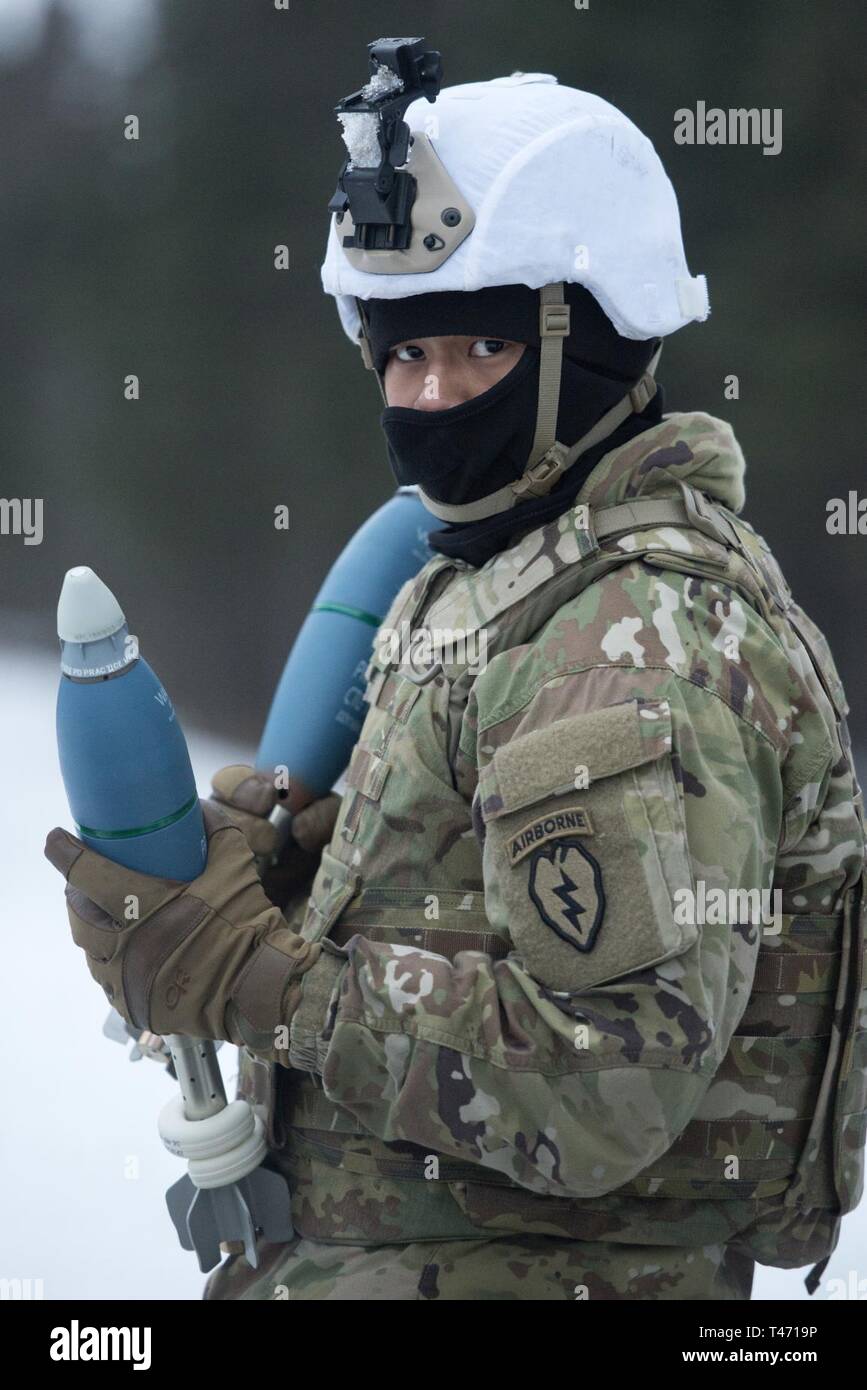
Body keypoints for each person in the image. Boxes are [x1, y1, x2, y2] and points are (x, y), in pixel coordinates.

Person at [46, 54, 866, 1302]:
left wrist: (263, 978)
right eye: (404, 352)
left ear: (601, 342)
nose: (433, 396)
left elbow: (599, 1084)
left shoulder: (626, 638)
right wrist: (319, 872)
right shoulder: (507, 569)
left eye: (484, 344)